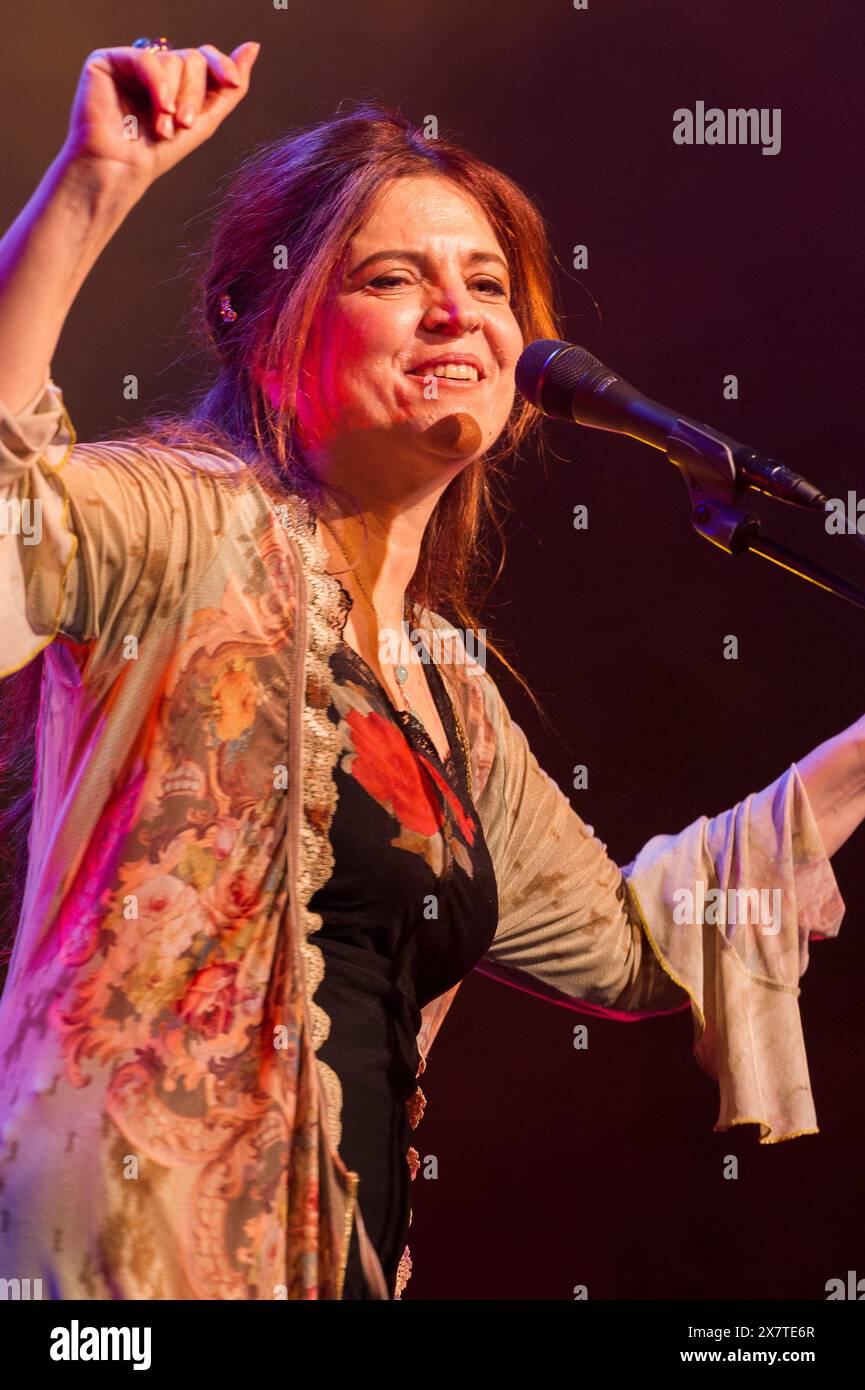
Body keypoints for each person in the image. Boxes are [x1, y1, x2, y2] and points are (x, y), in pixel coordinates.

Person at [0, 38, 861, 1302]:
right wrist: (89, 189)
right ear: (264, 325)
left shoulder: (448, 694)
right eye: (394, 278)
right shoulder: (180, 521)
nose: (458, 311)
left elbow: (632, 942)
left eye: (489, 283)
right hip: (114, 1273)